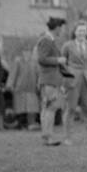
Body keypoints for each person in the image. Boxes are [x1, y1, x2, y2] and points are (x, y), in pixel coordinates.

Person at [61, 19, 87, 144]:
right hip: (72, 80)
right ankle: (68, 137)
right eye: (79, 31)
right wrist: (66, 77)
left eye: (83, 31)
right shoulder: (67, 45)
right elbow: (62, 63)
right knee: (70, 108)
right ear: (74, 31)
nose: (81, 33)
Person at [35, 17, 68, 145]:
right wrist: (57, 60)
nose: (62, 31)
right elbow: (41, 59)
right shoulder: (46, 40)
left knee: (49, 107)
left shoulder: (50, 40)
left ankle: (47, 136)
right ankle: (48, 137)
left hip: (51, 80)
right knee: (50, 107)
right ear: (57, 27)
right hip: (49, 80)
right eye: (62, 28)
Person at [9, 48, 40, 129]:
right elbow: (13, 74)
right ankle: (21, 124)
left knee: (32, 107)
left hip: (31, 89)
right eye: (25, 51)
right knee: (20, 108)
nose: (27, 53)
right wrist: (10, 85)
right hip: (20, 88)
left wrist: (39, 84)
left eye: (29, 51)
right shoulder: (18, 61)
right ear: (22, 52)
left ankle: (31, 124)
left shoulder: (34, 62)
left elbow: (38, 74)